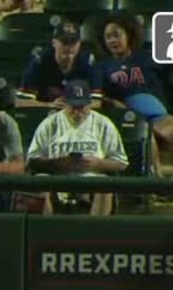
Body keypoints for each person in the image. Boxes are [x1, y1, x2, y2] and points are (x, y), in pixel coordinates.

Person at [97, 13, 173, 196]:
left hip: (157, 115)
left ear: (128, 34)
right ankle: (159, 185)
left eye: (116, 35)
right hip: (128, 118)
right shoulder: (103, 66)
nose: (112, 41)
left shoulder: (148, 56)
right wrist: (112, 102)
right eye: (108, 37)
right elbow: (98, 95)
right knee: (147, 138)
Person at [24, 79, 128, 216]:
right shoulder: (50, 123)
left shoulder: (103, 123)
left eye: (82, 106)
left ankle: (96, 232)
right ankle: (47, 232)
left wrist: (98, 164)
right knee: (40, 180)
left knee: (105, 185)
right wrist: (57, 163)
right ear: (64, 103)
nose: (78, 112)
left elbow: (121, 163)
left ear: (90, 104)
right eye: (73, 107)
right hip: (56, 179)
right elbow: (32, 161)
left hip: (92, 179)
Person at [17, 22, 101, 108]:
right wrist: (49, 105)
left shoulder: (88, 62)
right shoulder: (41, 61)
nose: (69, 46)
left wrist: (73, 108)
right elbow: (21, 101)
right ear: (54, 43)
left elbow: (96, 102)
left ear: (79, 43)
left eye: (73, 42)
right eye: (65, 42)